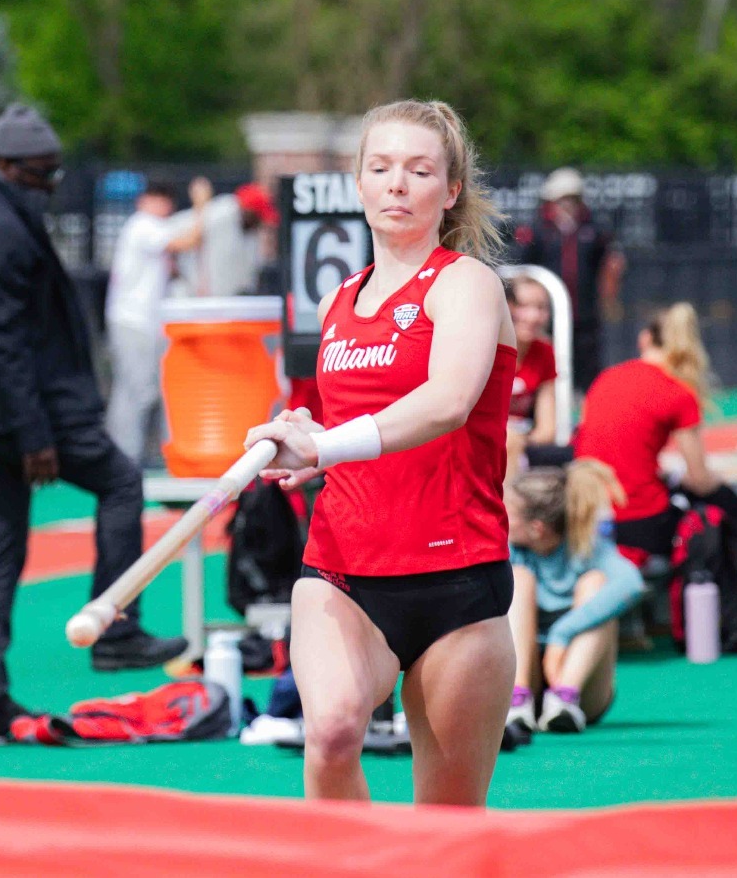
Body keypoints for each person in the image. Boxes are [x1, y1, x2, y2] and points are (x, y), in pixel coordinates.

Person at [243, 99, 519, 806]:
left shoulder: (467, 285)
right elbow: (334, 418)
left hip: (455, 577)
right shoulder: (339, 298)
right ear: (358, 184)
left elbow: (446, 401)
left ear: (449, 189)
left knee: (446, 830)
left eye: (419, 170)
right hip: (341, 569)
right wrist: (293, 441)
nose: (398, 184)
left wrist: (325, 444)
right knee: (331, 734)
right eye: (381, 167)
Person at [0, 103, 187, 709]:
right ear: (7, 166)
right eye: (43, 173)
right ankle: (116, 628)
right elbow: (2, 340)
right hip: (20, 411)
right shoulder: (2, 227)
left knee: (0, 542)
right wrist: (34, 433)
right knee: (120, 483)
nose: (51, 185)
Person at [572, 303, 722, 564]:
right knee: (721, 508)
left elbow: (589, 445)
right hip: (638, 520)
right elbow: (700, 480)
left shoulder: (607, 377)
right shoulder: (679, 393)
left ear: (645, 338)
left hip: (585, 513)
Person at [505, 461, 641, 735]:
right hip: (528, 676)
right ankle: (516, 699)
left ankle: (565, 699)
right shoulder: (508, 549)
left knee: (596, 583)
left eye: (508, 512)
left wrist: (561, 634)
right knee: (518, 577)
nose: (499, 516)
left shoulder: (586, 547)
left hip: (580, 686)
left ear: (537, 528)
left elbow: (632, 583)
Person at [104, 177, 207, 464]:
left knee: (140, 390)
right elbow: (188, 240)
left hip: (140, 322)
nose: (161, 205)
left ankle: (130, 456)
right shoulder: (143, 225)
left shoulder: (149, 228)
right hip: (133, 322)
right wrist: (201, 204)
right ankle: (123, 458)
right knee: (135, 391)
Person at [515, 168, 624, 392]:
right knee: (549, 368)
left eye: (572, 199)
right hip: (548, 316)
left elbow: (608, 265)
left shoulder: (593, 230)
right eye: (562, 199)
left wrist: (608, 295)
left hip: (585, 315)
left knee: (589, 372)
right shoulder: (538, 230)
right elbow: (523, 270)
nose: (567, 205)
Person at [504, 274, 564, 471]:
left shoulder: (545, 352)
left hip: (523, 441)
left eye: (541, 308)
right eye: (524, 306)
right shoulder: (488, 348)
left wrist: (520, 440)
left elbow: (547, 429)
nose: (533, 316)